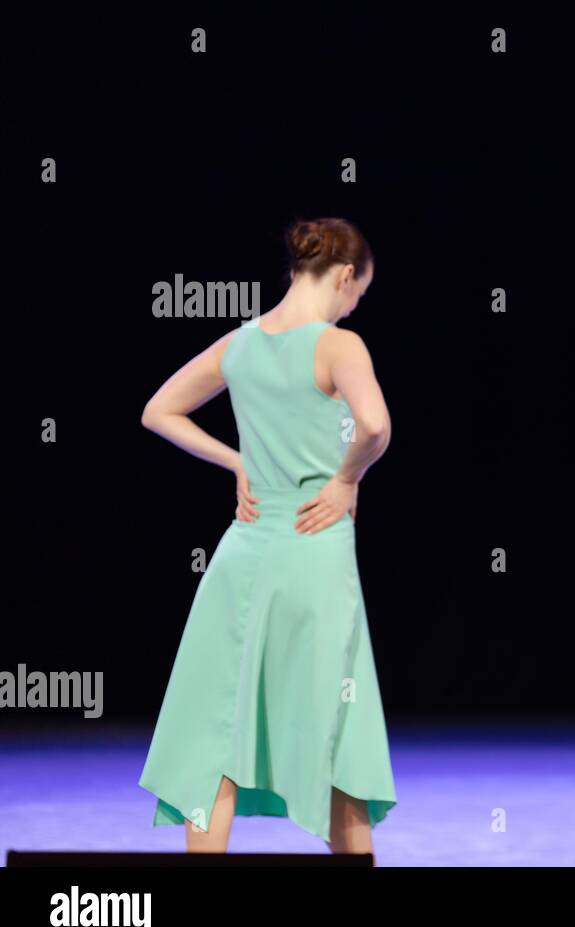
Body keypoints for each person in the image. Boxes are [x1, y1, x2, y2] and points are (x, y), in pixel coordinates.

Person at [138, 217, 397, 854]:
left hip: (244, 553)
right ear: (344, 277)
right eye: (358, 293)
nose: (353, 305)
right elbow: (375, 425)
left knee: (215, 731)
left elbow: (157, 410)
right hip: (315, 553)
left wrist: (237, 461)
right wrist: (345, 479)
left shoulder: (240, 344)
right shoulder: (340, 346)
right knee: (336, 730)